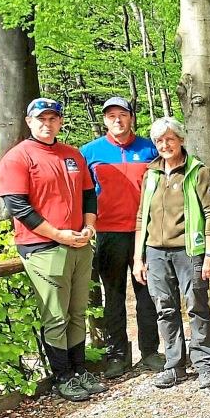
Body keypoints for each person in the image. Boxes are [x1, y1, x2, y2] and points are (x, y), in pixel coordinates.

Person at [0, 98, 106, 401]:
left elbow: (88, 194)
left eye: (53, 119)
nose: (47, 125)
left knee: (77, 312)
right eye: (41, 119)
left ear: (59, 121)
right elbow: (18, 206)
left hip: (78, 244)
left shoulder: (72, 154)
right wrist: (57, 234)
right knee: (56, 316)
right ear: (29, 122)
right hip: (43, 247)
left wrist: (89, 227)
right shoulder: (17, 157)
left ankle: (78, 369)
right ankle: (62, 377)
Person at [133, 116, 210, 390]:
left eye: (170, 139)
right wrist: (139, 258)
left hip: (189, 251)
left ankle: (204, 364)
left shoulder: (198, 171)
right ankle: (174, 365)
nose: (164, 144)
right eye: (159, 140)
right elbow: (141, 217)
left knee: (197, 306)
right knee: (165, 309)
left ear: (181, 140)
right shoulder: (151, 173)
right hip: (156, 253)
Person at [80, 97, 164, 378]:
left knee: (148, 295)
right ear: (104, 120)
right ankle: (117, 355)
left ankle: (151, 352)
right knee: (113, 296)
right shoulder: (89, 152)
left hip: (147, 232)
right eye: (111, 115)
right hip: (109, 233)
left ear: (131, 118)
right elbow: (82, 194)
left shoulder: (150, 148)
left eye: (123, 114)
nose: (117, 120)